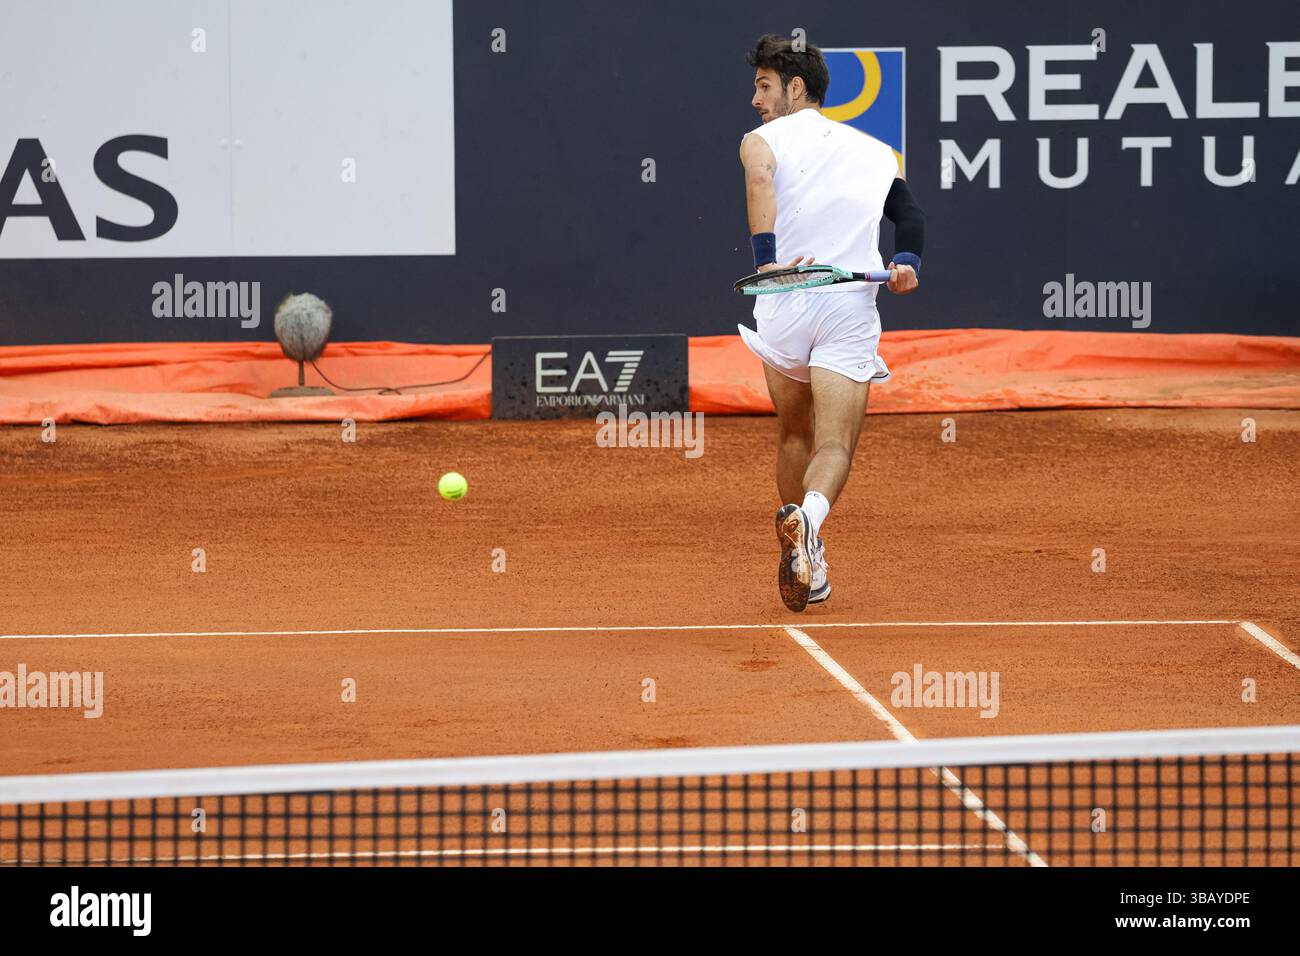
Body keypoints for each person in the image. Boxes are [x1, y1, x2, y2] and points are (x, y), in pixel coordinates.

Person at [738, 34, 925, 612]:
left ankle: (806, 553)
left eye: (763, 86)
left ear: (795, 88)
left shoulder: (759, 140)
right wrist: (906, 265)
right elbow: (909, 216)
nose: (755, 100)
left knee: (795, 434)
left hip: (784, 301)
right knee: (835, 443)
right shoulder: (873, 151)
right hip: (847, 304)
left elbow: (760, 181)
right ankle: (811, 525)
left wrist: (766, 261)